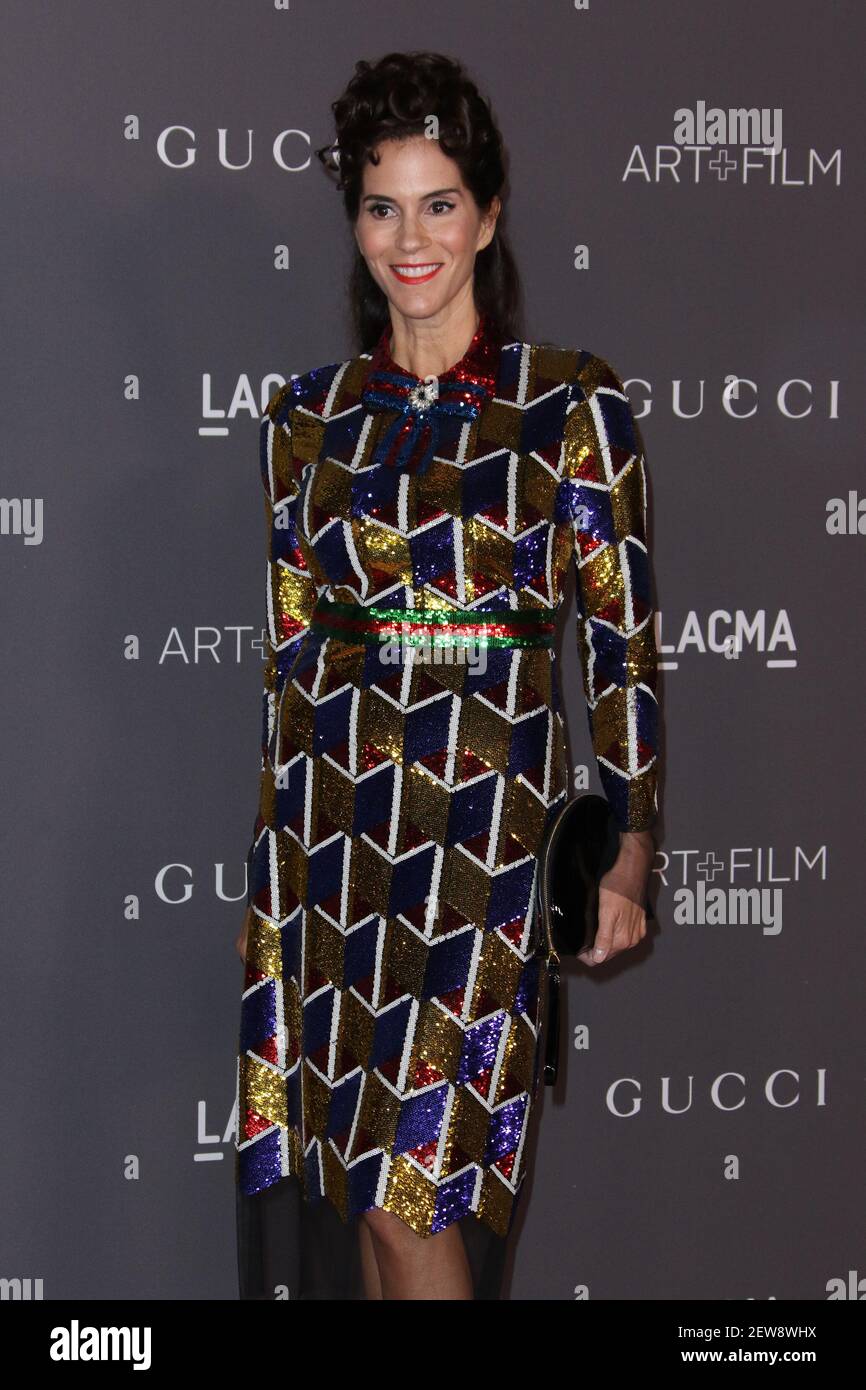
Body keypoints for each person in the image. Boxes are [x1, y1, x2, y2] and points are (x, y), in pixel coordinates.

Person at [233, 50, 659, 1301]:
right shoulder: (303, 421)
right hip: (331, 847)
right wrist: (276, 891)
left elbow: (620, 648)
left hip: (484, 853)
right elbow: (292, 654)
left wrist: (626, 849)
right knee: (369, 1205)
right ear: (352, 222)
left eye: (435, 203)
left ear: (486, 216)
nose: (406, 237)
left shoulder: (571, 407)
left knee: (414, 1191)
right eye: (379, 205)